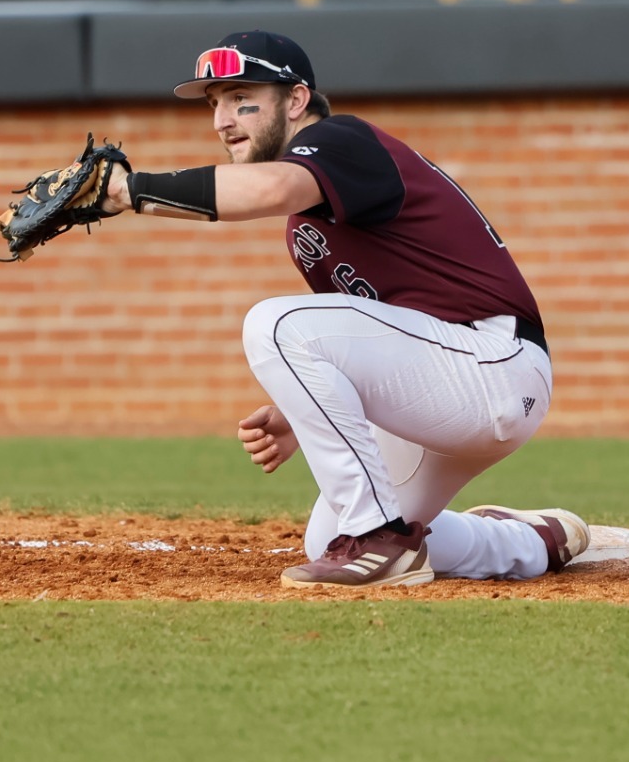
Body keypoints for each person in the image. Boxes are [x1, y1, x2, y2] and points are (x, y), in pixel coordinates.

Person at [100, 29, 585, 588]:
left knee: (274, 323)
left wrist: (127, 191)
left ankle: (382, 540)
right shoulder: (306, 226)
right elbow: (369, 330)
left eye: (241, 98)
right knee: (326, 538)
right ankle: (528, 543)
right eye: (215, 104)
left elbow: (267, 190)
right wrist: (301, 411)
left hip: (494, 366)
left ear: (297, 100)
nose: (222, 120)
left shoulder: (343, 140)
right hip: (445, 383)